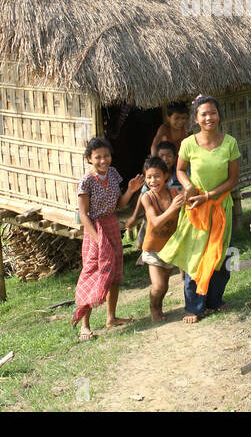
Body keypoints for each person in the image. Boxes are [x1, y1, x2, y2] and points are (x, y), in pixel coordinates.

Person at [158, 95, 241, 323]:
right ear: (196, 118)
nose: (209, 118)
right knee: (196, 257)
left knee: (223, 256)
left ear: (219, 115)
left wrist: (209, 196)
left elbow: (233, 179)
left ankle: (215, 301)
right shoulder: (188, 144)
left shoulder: (230, 143)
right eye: (203, 114)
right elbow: (181, 170)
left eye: (212, 113)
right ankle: (194, 307)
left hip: (222, 207)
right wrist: (189, 187)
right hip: (196, 209)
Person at [72, 137, 139, 341]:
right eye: (98, 157)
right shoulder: (86, 181)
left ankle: (111, 317)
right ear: (89, 159)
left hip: (111, 225)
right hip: (95, 229)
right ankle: (85, 325)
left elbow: (119, 204)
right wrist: (98, 240)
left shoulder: (113, 173)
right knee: (93, 272)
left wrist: (131, 190)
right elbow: (83, 215)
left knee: (115, 271)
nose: (103, 160)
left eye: (106, 156)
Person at [135, 155, 185, 321]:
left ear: (166, 177)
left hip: (170, 248)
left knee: (164, 286)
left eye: (157, 176)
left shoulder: (174, 193)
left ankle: (159, 306)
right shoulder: (147, 197)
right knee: (158, 286)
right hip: (152, 249)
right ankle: (153, 308)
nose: (152, 180)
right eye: (148, 177)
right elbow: (155, 222)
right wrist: (172, 208)